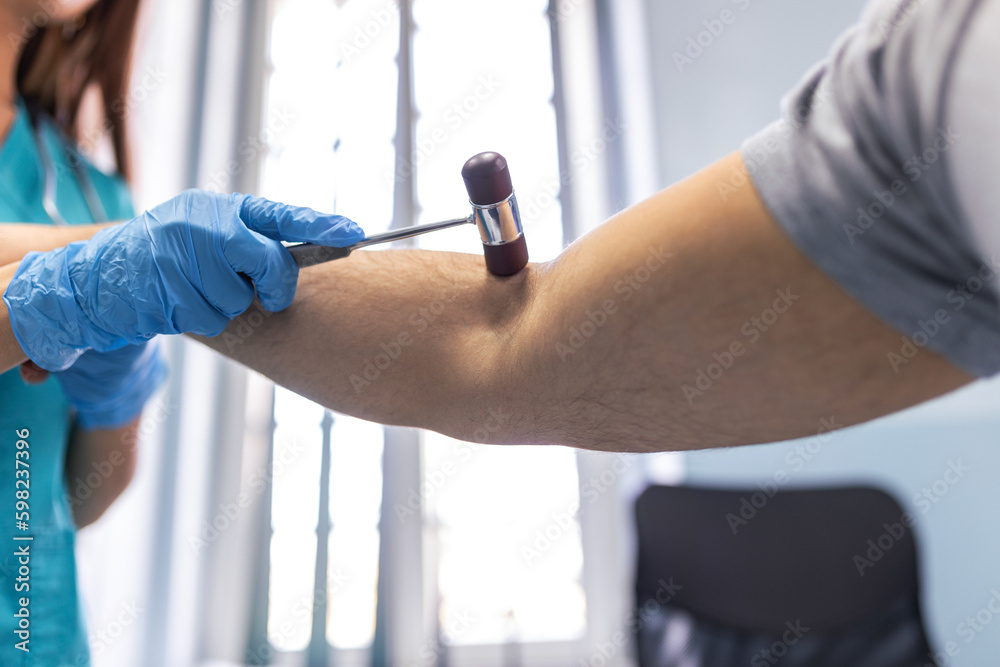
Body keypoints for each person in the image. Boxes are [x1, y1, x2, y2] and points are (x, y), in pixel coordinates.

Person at [0, 1, 362, 664]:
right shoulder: (112, 226)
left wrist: (114, 395)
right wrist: (85, 276)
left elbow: (78, 497)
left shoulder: (90, 193)